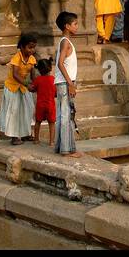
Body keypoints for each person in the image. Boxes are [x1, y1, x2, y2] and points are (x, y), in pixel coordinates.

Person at [0, 33, 38, 144]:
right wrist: (27, 84)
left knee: (28, 109)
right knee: (13, 111)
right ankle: (14, 137)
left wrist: (36, 85)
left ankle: (25, 134)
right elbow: (15, 75)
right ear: (22, 47)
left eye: (33, 47)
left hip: (23, 88)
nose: (32, 50)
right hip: (12, 88)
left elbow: (33, 75)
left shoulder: (32, 59)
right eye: (29, 47)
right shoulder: (16, 57)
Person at [53, 12, 81, 156]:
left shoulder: (64, 41)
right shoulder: (65, 42)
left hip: (63, 82)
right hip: (65, 82)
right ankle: (66, 149)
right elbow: (60, 63)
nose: (77, 26)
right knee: (66, 115)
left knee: (63, 115)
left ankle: (60, 147)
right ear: (67, 26)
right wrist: (70, 84)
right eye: (75, 24)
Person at [31, 58, 56, 145]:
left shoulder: (38, 79)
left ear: (39, 70)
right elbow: (56, 93)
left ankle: (36, 139)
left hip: (40, 105)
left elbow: (32, 89)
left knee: (38, 122)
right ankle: (51, 142)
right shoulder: (53, 79)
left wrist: (28, 85)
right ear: (50, 68)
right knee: (52, 123)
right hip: (50, 104)